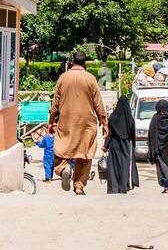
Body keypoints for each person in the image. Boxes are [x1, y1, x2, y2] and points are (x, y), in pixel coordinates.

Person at [49, 50, 108, 195]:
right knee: (85, 155)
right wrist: (104, 122)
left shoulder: (63, 78)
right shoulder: (91, 79)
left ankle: (64, 168)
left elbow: (55, 104)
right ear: (85, 63)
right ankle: (79, 186)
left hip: (66, 122)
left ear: (71, 62)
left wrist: (51, 122)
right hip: (87, 124)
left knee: (61, 151)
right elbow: (98, 103)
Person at [146, 98, 168, 193]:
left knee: (162, 168)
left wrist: (151, 147)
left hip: (159, 149)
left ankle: (167, 187)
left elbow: (151, 134)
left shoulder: (155, 118)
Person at [103, 97, 139, 194]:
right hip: (126, 145)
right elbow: (132, 133)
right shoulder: (129, 119)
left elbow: (109, 134)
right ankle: (123, 187)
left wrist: (105, 146)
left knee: (113, 166)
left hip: (114, 144)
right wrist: (133, 146)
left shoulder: (113, 117)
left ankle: (113, 188)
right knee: (124, 165)